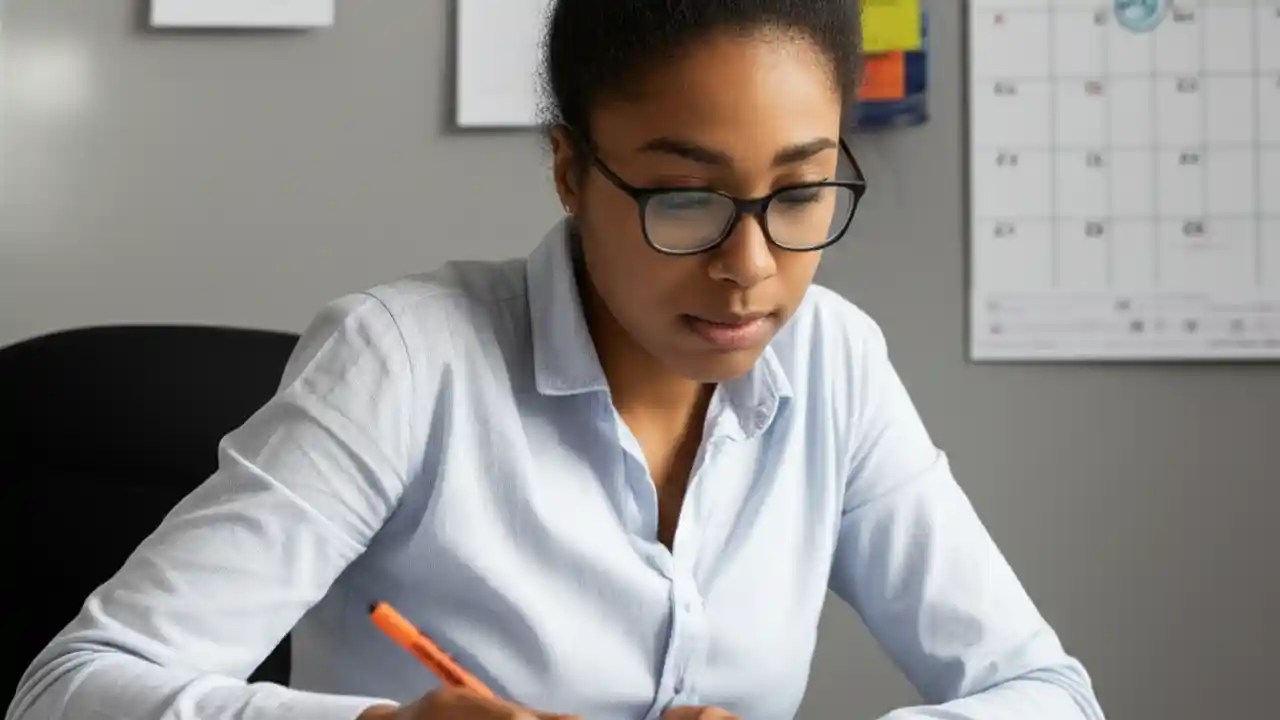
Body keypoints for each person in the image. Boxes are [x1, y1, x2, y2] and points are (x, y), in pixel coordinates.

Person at [7, 2, 1106, 720]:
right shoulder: (405, 361)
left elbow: (1040, 691)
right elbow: (68, 693)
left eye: (802, 193)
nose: (750, 267)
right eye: (684, 196)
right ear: (571, 172)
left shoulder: (834, 364)